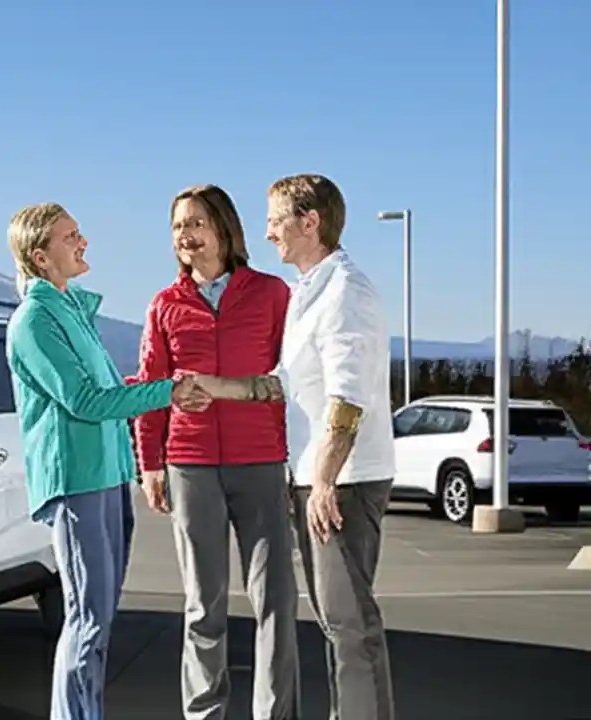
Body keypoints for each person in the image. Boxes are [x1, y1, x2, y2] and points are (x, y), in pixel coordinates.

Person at [3, 200, 283, 720]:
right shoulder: (35, 321)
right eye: (71, 237)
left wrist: (158, 408)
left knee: (101, 619)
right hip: (75, 481)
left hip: (108, 478)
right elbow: (86, 402)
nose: (82, 241)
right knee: (87, 620)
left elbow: (115, 389)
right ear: (41, 257)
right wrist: (171, 395)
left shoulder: (71, 311)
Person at [133, 184, 300, 720]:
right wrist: (151, 463)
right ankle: (205, 713)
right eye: (178, 225)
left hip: (261, 460)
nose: (185, 234)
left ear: (225, 229)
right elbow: (151, 386)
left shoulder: (273, 294)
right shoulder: (165, 305)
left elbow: (293, 377)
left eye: (196, 222)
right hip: (190, 464)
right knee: (203, 605)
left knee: (274, 599)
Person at [266, 173, 397, 720]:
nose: (269, 231)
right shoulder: (309, 290)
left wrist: (323, 482)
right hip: (315, 477)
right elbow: (291, 383)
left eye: (277, 219)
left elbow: (347, 399)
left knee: (349, 623)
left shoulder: (346, 291)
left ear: (310, 221)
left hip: (343, 481)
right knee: (335, 620)